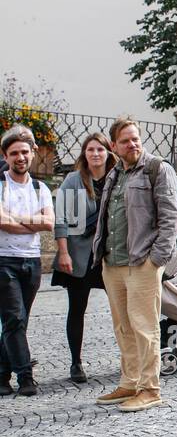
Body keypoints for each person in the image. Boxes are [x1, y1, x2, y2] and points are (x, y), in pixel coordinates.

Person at [91, 118, 177, 412]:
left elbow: (171, 217)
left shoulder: (158, 169)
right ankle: (129, 381)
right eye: (125, 141)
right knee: (123, 326)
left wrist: (157, 258)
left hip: (142, 262)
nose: (132, 144)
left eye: (136, 139)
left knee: (145, 327)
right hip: (113, 262)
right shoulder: (115, 173)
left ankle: (150, 388)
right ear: (114, 146)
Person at [52, 131, 116, 384]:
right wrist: (64, 252)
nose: (95, 154)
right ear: (84, 154)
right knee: (77, 310)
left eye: (99, 149)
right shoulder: (73, 180)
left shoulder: (117, 177)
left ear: (107, 152)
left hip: (110, 257)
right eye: (90, 150)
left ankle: (129, 359)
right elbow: (62, 221)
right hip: (79, 256)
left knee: (122, 310)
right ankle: (76, 363)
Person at [0, 124, 54, 399]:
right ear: (5, 156)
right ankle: (25, 377)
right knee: (14, 318)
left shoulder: (40, 187)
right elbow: (1, 222)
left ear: (32, 153)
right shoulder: (1, 186)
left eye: (24, 152)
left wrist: (14, 221)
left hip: (31, 262)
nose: (20, 157)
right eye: (14, 153)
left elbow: (48, 223)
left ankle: (1, 374)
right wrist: (32, 223)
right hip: (4, 261)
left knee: (17, 322)